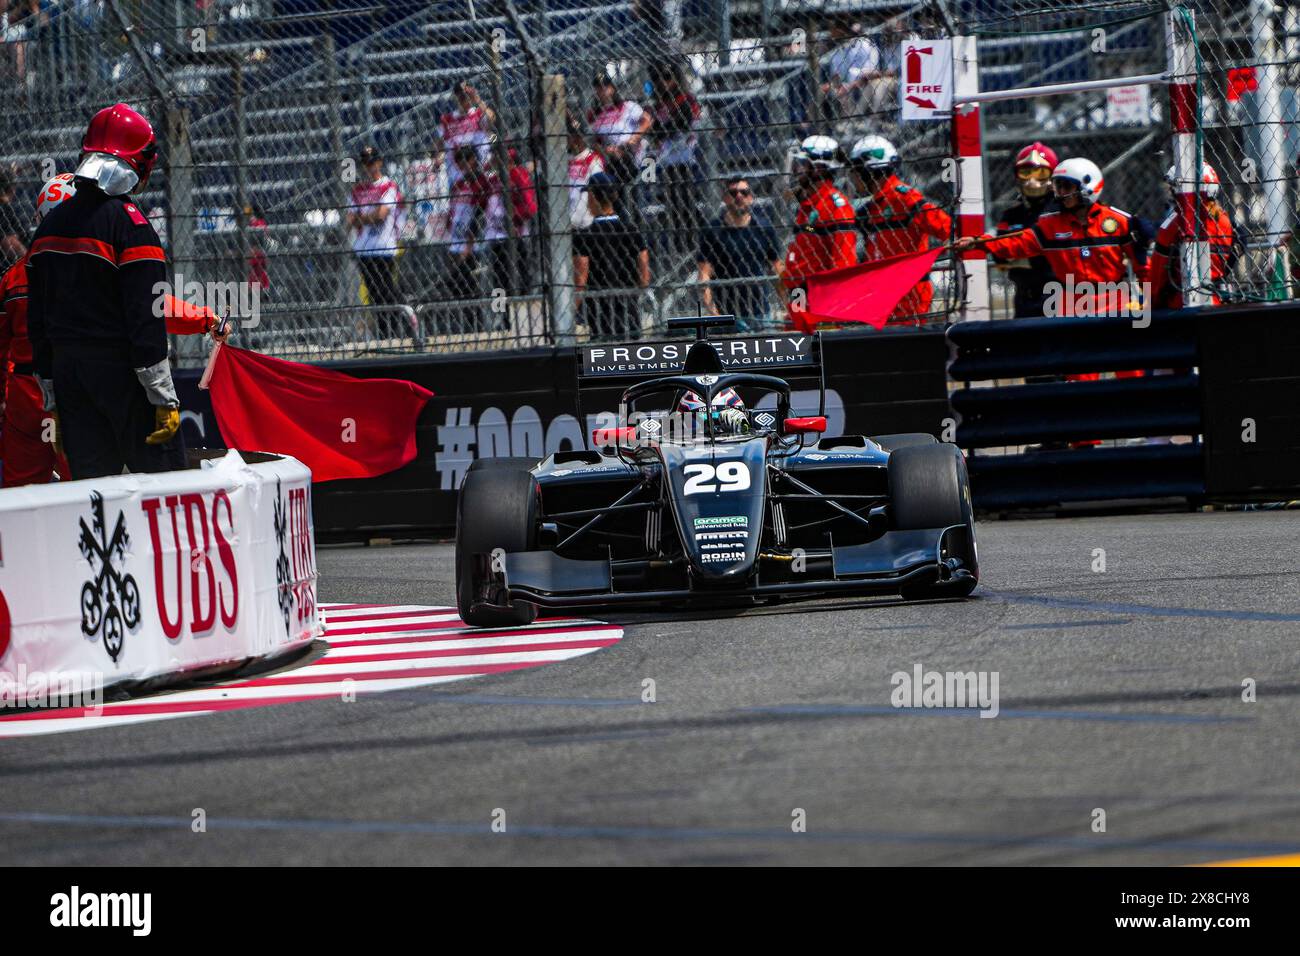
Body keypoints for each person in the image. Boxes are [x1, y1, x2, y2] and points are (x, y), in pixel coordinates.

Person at [26, 103, 185, 480]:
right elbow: (146, 320)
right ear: (139, 163)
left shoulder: (46, 231)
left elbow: (38, 325)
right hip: (125, 374)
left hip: (69, 377)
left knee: (93, 496)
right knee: (168, 485)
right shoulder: (131, 228)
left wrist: (54, 401)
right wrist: (162, 397)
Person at [956, 157, 1147, 318]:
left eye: (1066, 186)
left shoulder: (1120, 222)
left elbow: (1143, 266)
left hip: (1116, 304)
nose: (1060, 193)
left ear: (1088, 186)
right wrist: (977, 243)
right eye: (1058, 186)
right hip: (1070, 307)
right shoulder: (1049, 225)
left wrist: (1147, 302)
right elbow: (1016, 244)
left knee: (1125, 361)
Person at [848, 134, 951, 325]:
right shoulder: (870, 209)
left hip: (907, 298)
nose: (852, 177)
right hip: (881, 297)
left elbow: (947, 229)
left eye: (855, 170)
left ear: (869, 171)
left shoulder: (906, 199)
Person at [782, 135, 857, 323]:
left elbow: (843, 266)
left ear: (818, 168)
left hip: (822, 307)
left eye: (803, 164)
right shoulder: (808, 206)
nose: (798, 170)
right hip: (801, 300)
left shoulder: (835, 206)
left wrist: (832, 312)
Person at [1149, 162, 1240, 308]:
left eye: (1173, 189)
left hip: (1179, 303)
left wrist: (1153, 304)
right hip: (1216, 300)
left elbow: (1157, 279)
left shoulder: (1174, 225)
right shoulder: (1225, 222)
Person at [697, 177, 782, 331]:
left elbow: (777, 268)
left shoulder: (763, 228)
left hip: (759, 311)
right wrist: (714, 314)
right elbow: (704, 275)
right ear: (725, 198)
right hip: (726, 312)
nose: (739, 196)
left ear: (751, 197)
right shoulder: (713, 230)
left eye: (744, 192)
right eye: (733, 192)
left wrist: (789, 307)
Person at [573, 171, 649, 340]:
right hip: (629, 309)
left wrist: (569, 313)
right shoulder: (632, 230)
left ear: (592, 196)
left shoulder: (585, 236)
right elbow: (644, 274)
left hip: (600, 314)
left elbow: (580, 281)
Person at [996, 142, 1060, 318]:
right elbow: (1000, 258)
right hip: (1025, 298)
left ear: (1052, 176)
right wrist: (1042, 257)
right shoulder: (1011, 216)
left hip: (1061, 297)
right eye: (1025, 173)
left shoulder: (1062, 212)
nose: (1032, 181)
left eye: (1041, 173)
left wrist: (1021, 254)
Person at [347, 145, 404, 337]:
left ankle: (396, 330)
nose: (369, 167)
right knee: (374, 294)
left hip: (384, 247)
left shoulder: (388, 185)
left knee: (387, 290)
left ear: (379, 162)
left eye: (372, 162)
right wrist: (367, 217)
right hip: (364, 249)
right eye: (366, 163)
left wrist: (362, 217)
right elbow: (350, 219)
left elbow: (381, 214)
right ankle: (384, 333)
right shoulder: (358, 190)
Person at [647, 60, 702, 259]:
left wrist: (664, 129)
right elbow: (655, 131)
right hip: (667, 160)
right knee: (672, 203)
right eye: (659, 79)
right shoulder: (657, 104)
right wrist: (664, 129)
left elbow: (681, 123)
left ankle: (692, 243)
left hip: (687, 158)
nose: (663, 82)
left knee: (686, 201)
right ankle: (679, 246)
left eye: (668, 78)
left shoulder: (685, 99)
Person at [588, 69, 652, 224]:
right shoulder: (595, 113)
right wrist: (605, 150)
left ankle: (634, 224)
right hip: (609, 159)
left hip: (629, 157)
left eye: (605, 86)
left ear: (612, 88)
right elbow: (595, 141)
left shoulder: (627, 106)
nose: (602, 90)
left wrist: (632, 139)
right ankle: (619, 223)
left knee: (632, 198)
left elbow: (646, 120)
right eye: (598, 87)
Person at [438, 82, 495, 194]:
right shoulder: (447, 120)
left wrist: (478, 100)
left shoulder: (478, 113)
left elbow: (491, 118)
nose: (466, 99)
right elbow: (439, 146)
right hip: (457, 178)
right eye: (463, 96)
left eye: (469, 95)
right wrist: (439, 156)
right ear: (456, 97)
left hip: (482, 173)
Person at [566, 115, 604, 231]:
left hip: (587, 223)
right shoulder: (564, 159)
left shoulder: (593, 159)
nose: (568, 139)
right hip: (566, 222)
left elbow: (598, 191)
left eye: (571, 136)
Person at [0, 166, 27, 270]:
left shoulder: (8, 208)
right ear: (12, 189)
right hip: (8, 268)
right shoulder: (5, 208)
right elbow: (8, 242)